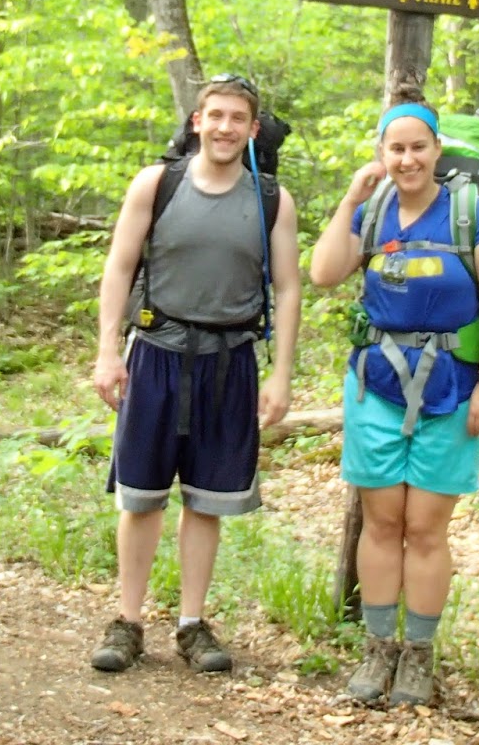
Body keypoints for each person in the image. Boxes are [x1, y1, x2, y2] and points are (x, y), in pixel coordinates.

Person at [90, 75, 301, 675]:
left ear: (253, 130)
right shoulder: (157, 185)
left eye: (238, 118)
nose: (226, 127)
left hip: (230, 359)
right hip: (155, 349)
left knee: (206, 499)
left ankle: (191, 622)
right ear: (196, 122)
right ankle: (128, 620)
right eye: (215, 116)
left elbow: (287, 290)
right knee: (141, 495)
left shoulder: (270, 200)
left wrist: (281, 373)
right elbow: (118, 267)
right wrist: (108, 352)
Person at [309, 99, 479, 707]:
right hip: (376, 382)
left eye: (418, 147)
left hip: (452, 387)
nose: (407, 159)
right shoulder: (373, 212)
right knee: (382, 522)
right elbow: (324, 272)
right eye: (395, 149)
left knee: (425, 527)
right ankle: (378, 651)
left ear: (436, 151)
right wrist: (351, 198)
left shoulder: (470, 215)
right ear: (382, 154)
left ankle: (418, 657)